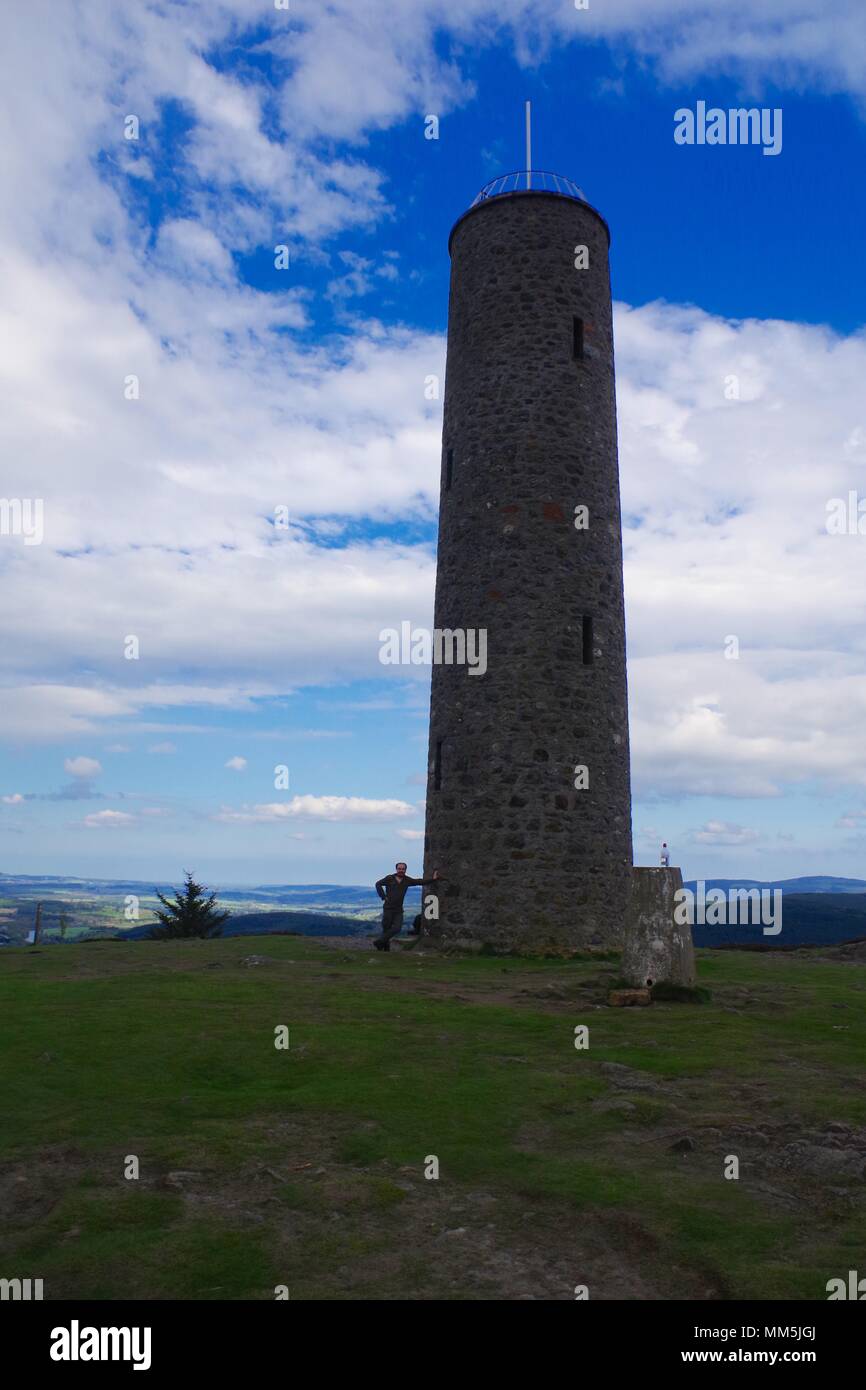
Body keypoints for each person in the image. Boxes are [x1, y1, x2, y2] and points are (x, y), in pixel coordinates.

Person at [373, 862, 442, 951]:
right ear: (396, 869)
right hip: (388, 908)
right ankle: (385, 948)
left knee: (397, 928)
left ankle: (379, 942)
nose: (401, 870)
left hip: (398, 909)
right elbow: (378, 884)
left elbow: (419, 881)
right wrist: (383, 896)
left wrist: (433, 879)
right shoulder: (390, 878)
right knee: (386, 929)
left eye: (403, 869)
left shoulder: (407, 880)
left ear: (405, 870)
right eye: (399, 868)